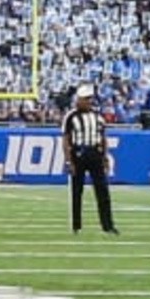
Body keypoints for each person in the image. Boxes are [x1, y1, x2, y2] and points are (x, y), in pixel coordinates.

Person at [62, 87, 117, 234]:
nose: (89, 101)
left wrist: (105, 156)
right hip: (78, 154)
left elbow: (103, 137)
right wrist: (69, 161)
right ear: (79, 100)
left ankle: (108, 225)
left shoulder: (98, 116)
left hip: (95, 154)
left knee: (103, 191)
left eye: (90, 98)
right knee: (76, 192)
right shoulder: (71, 116)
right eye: (86, 99)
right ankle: (76, 225)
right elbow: (66, 140)